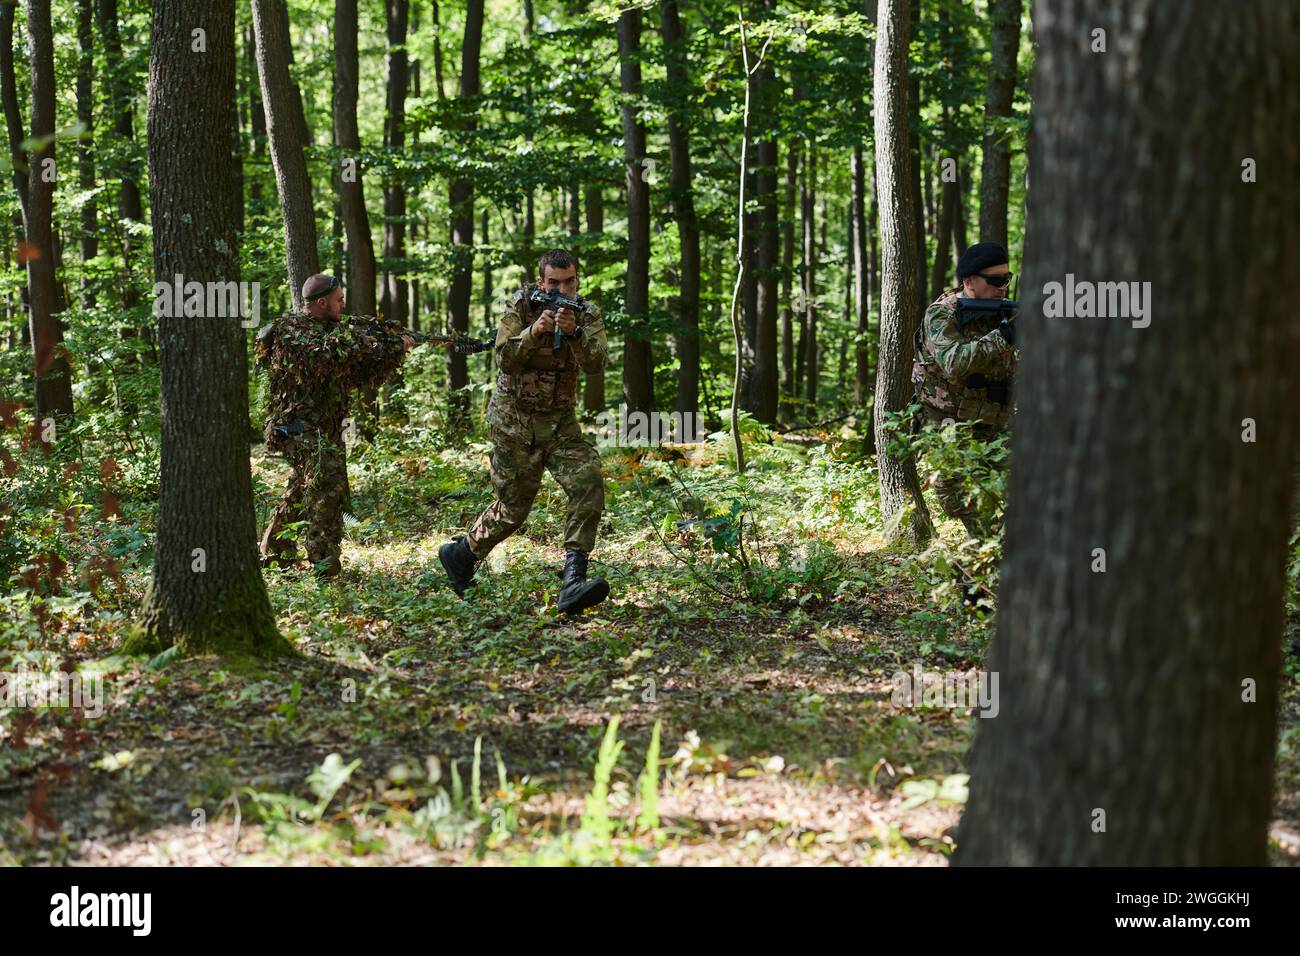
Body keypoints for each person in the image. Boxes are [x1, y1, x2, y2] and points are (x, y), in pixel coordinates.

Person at [439, 249, 611, 614]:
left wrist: (574, 333)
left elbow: (597, 363)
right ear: (541, 282)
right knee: (514, 509)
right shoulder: (521, 307)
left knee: (588, 480)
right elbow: (503, 358)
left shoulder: (586, 313)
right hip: (514, 421)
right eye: (554, 282)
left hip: (560, 422)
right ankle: (461, 553)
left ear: (577, 281)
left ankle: (573, 579)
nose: (562, 290)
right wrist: (534, 333)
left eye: (570, 282)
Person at [256, 273, 415, 577]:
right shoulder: (292, 331)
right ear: (321, 302)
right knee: (326, 485)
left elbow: (356, 374)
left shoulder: (335, 331)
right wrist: (368, 339)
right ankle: (324, 562)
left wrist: (394, 351)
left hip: (326, 427)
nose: (344, 305)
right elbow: (326, 358)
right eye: (339, 300)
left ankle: (273, 548)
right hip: (294, 427)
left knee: (307, 486)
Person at [912, 241, 1019, 539]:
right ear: (969, 281)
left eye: (1007, 279)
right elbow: (954, 362)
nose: (1003, 287)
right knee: (964, 504)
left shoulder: (1004, 313)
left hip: (995, 423)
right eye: (995, 280)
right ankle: (975, 578)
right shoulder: (942, 314)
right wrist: (1004, 337)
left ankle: (983, 574)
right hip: (951, 425)